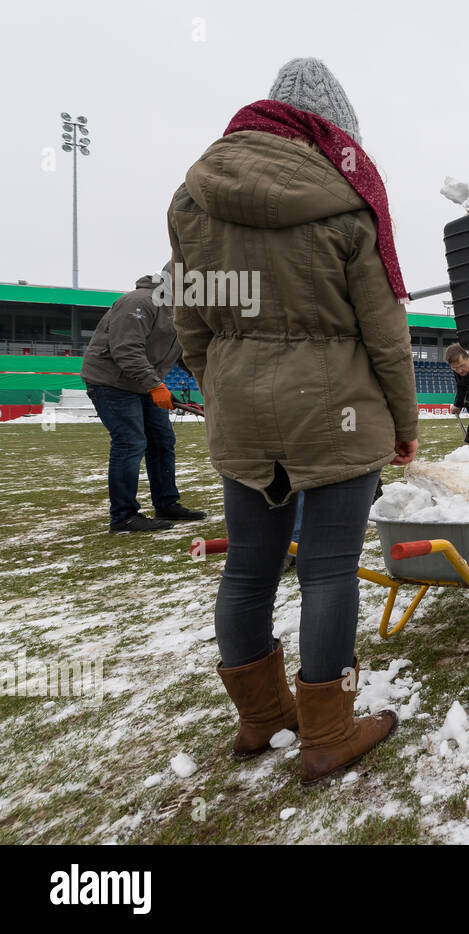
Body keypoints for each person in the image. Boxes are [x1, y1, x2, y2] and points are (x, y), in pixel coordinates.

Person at [169, 57, 417, 784]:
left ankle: (259, 719)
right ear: (333, 131)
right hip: (334, 415)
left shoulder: (191, 201)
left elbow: (191, 325)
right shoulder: (346, 202)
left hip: (243, 413)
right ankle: (327, 733)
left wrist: (229, 393)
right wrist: (403, 419)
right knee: (329, 569)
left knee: (247, 570)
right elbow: (385, 332)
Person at [81, 273, 208, 532]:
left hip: (142, 384)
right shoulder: (139, 302)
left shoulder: (177, 310)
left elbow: (182, 352)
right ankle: (123, 516)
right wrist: (155, 385)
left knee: (162, 441)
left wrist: (205, 376)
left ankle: (166, 503)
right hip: (111, 382)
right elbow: (126, 350)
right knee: (130, 443)